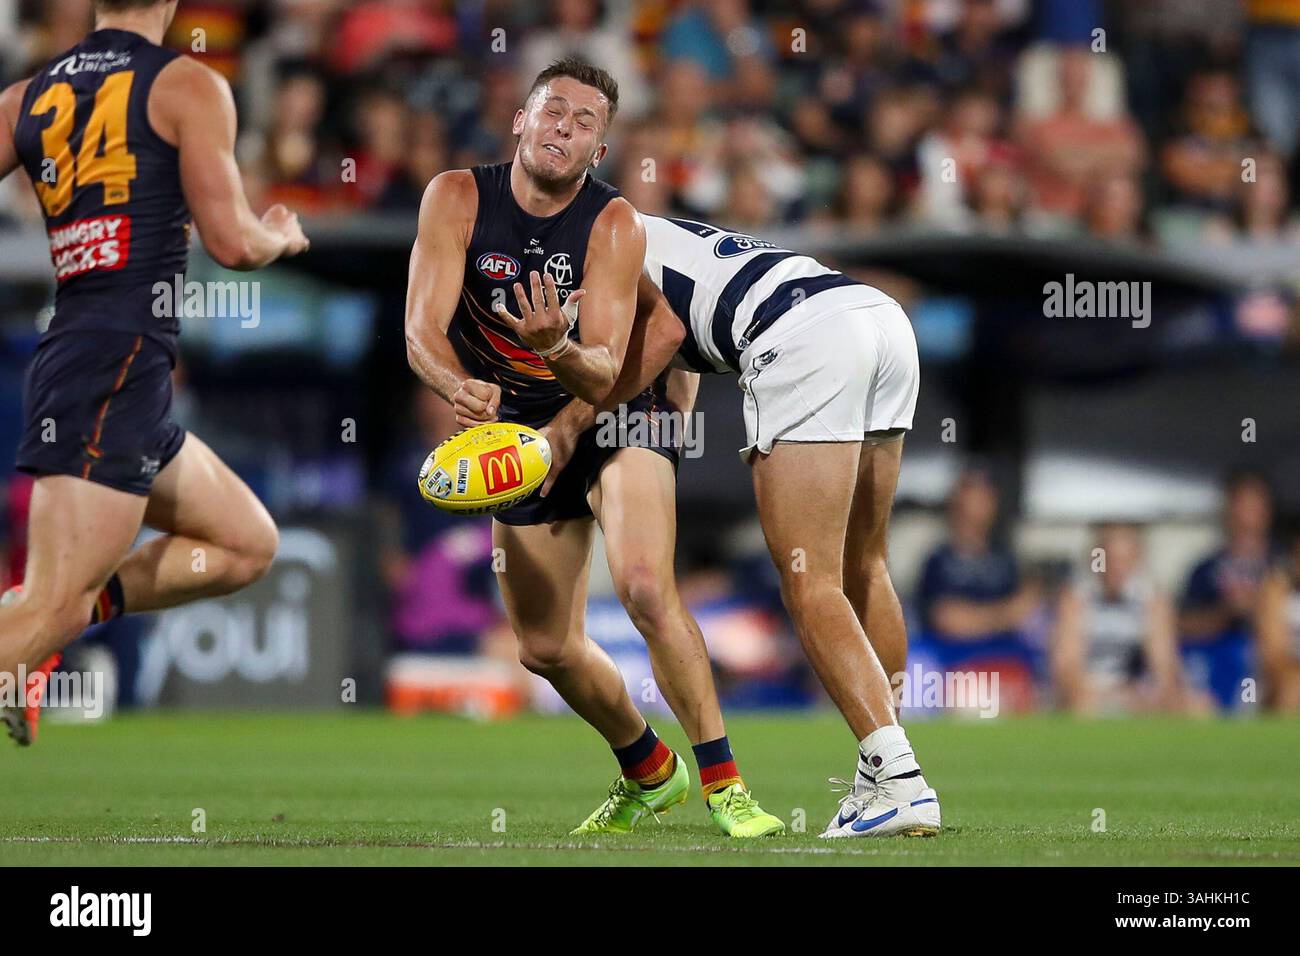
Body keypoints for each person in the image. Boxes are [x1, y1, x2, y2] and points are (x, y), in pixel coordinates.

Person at [402, 57, 782, 838]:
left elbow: (609, 366)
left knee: (644, 586)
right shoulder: (455, 197)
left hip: (615, 408)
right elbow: (419, 330)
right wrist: (454, 385)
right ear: (520, 119)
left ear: (598, 153)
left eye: (584, 123)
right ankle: (648, 768)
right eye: (553, 111)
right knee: (544, 648)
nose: (563, 128)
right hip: (517, 427)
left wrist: (557, 357)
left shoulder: (613, 224)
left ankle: (726, 784)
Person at [545, 212, 942, 838]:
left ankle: (899, 780)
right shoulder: (655, 236)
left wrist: (563, 433)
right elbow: (672, 362)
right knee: (866, 563)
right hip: (876, 317)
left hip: (803, 338)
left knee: (811, 580)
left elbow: (659, 335)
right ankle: (882, 772)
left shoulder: (594, 246)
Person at [0, 0, 309, 744]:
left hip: (96, 360)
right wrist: (275, 235)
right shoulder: (186, 86)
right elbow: (231, 243)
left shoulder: (26, 96)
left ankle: (42, 641)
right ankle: (38, 637)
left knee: (243, 543)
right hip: (114, 362)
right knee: (49, 605)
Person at [1051, 523, 1187, 714]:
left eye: (1125, 559)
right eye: (1110, 559)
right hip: (1089, 691)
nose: (1117, 568)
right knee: (1082, 706)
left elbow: (1164, 668)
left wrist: (1143, 694)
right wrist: (1099, 694)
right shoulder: (1076, 599)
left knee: (1197, 707)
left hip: (1135, 692)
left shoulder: (1152, 601)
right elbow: (1067, 668)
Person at [1179, 470, 1274, 710]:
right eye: (1238, 506)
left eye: (1252, 507)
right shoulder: (1205, 570)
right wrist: (1227, 613)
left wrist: (1263, 608)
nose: (1244, 517)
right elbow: (1180, 625)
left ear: (1266, 511)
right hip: (1216, 667)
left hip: (1274, 661)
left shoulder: (1284, 565)